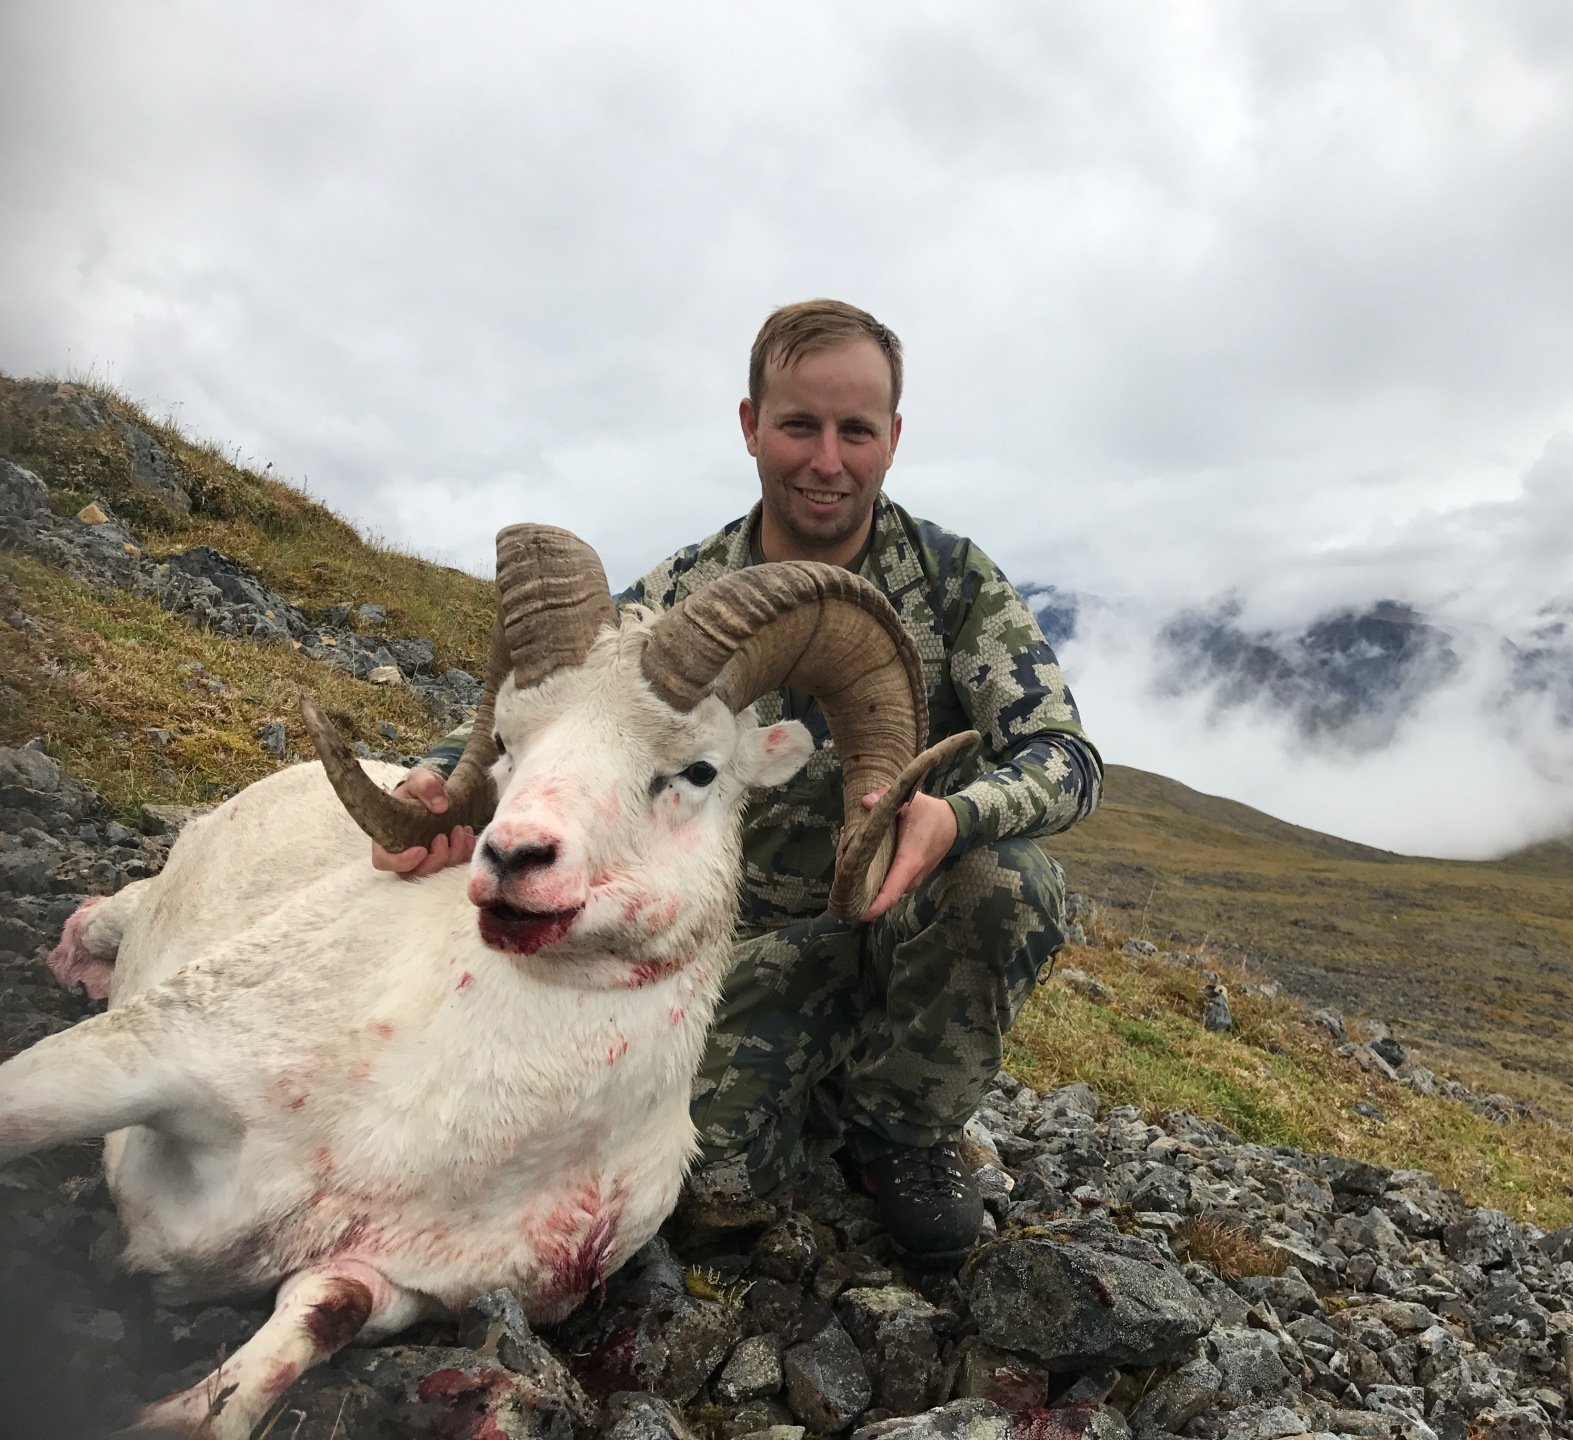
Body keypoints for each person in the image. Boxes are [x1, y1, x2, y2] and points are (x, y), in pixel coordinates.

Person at [377, 299, 1103, 1267]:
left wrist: (956, 817)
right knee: (705, 1204)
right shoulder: (682, 594)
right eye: (799, 425)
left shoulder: (952, 582)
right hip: (727, 947)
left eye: (857, 430)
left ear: (893, 437)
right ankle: (801, 1085)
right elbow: (561, 710)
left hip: (887, 916)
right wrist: (441, 784)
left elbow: (1064, 756)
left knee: (1007, 883)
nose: (827, 460)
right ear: (751, 425)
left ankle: (907, 1130)